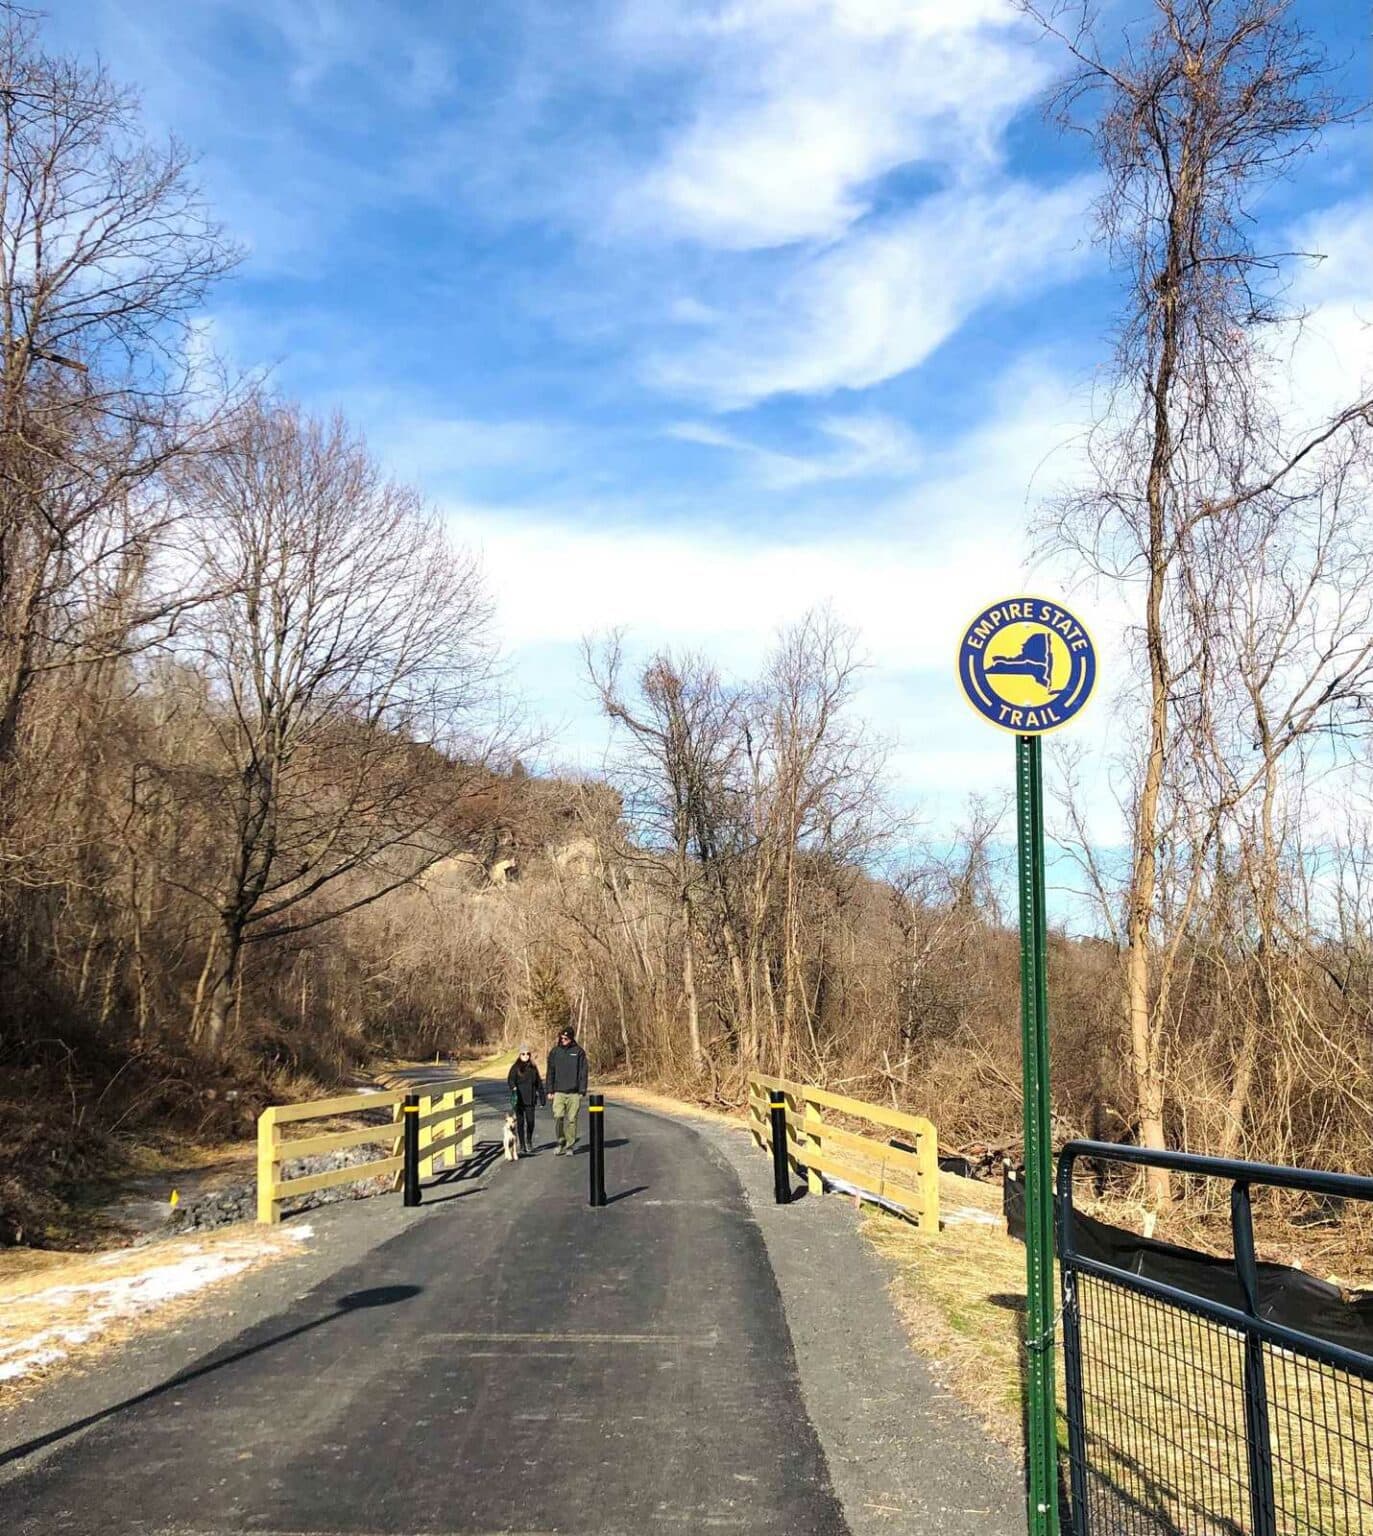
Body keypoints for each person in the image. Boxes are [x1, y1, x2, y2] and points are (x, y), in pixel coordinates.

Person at [545, 1025, 588, 1156]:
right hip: (558, 1092)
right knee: (558, 1117)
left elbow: (583, 1072)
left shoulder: (579, 1052)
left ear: (571, 1039)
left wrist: (582, 1090)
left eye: (565, 1038)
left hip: (574, 1092)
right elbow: (550, 1072)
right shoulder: (555, 1052)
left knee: (572, 1119)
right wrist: (549, 1090)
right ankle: (561, 1141)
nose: (562, 1040)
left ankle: (570, 1145)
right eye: (561, 1038)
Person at [506, 1046, 544, 1156]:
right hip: (519, 1099)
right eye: (523, 1054)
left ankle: (529, 1140)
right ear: (519, 1055)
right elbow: (510, 1080)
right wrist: (513, 1087)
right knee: (521, 1123)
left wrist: (542, 1097)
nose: (526, 1056)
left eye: (528, 1054)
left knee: (531, 1121)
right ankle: (522, 1145)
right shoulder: (515, 1067)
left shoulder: (533, 1067)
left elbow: (539, 1083)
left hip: (530, 1099)